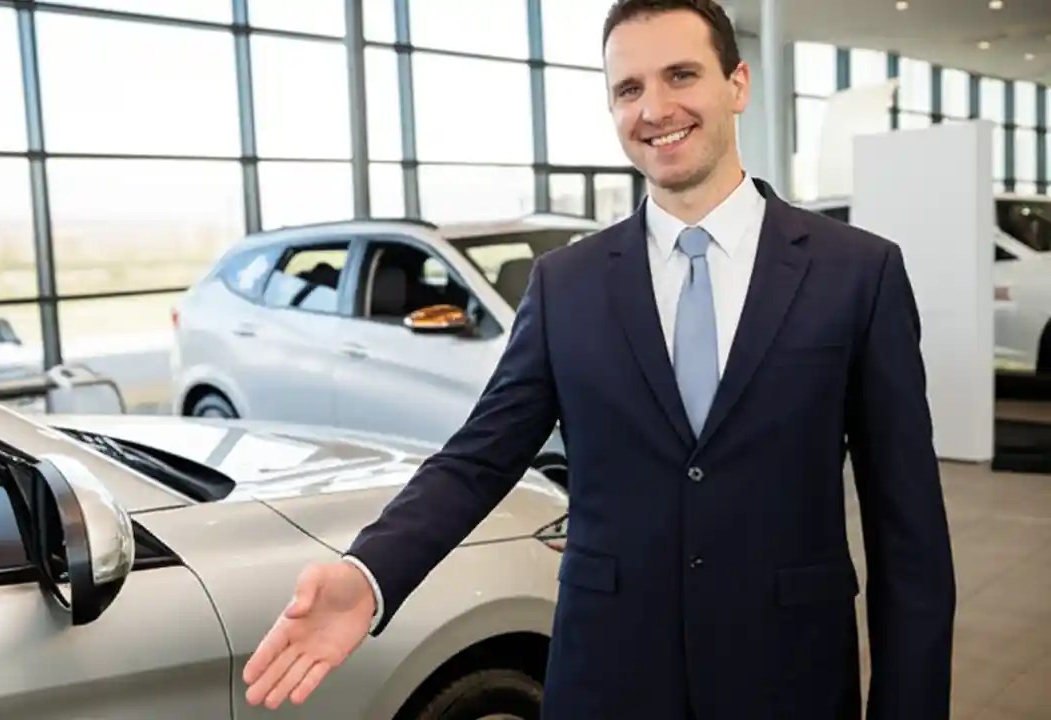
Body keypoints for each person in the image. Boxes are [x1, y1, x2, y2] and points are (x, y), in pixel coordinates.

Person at [241, 0, 957, 717]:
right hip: (609, 678)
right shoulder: (566, 285)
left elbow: (910, 533)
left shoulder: (855, 273)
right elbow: (478, 458)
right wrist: (370, 573)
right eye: (629, 88)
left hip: (788, 677)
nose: (656, 108)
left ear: (737, 85)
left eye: (681, 75)